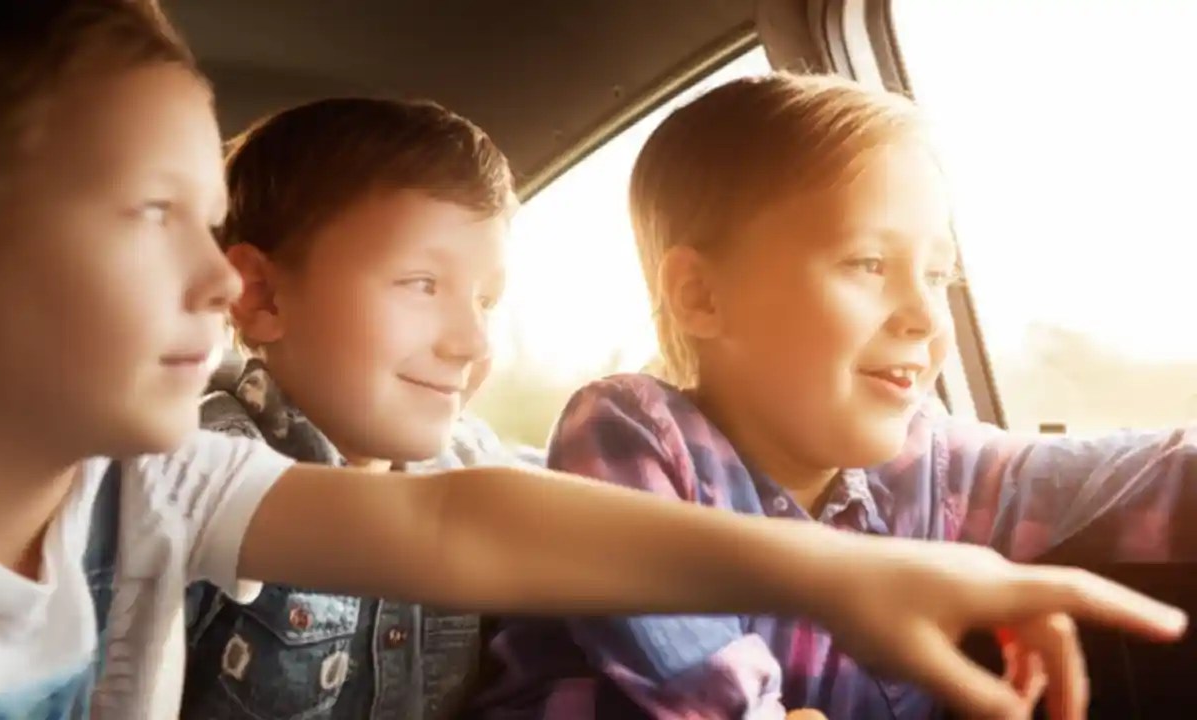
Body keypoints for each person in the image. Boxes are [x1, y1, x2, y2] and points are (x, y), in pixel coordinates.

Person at [0, 4, 1184, 718]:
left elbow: (466, 521)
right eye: (150, 214)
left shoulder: (155, 484)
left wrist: (845, 574)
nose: (213, 276)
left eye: (210, 223)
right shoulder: (200, 455)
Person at [470, 72, 1197, 720]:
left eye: (939, 277)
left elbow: (1132, 481)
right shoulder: (633, 430)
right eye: (870, 263)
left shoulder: (932, 469)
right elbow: (685, 658)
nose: (924, 315)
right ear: (701, 296)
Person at [181, 97, 536, 720]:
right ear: (261, 296)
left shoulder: (475, 462)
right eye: (423, 285)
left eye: (487, 299)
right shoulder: (196, 469)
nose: (472, 341)